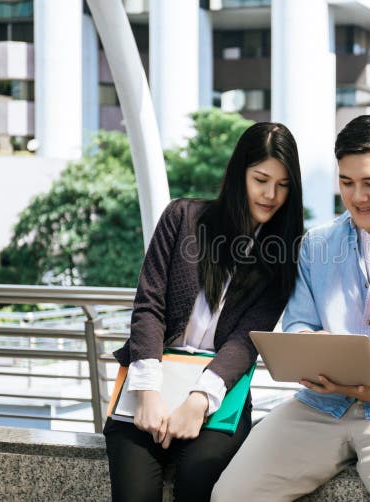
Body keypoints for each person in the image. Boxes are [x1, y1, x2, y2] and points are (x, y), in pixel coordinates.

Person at [212, 115, 370, 502]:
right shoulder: (317, 245)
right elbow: (300, 321)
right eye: (346, 183)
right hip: (320, 406)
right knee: (230, 495)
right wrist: (307, 347)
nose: (357, 197)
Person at [104, 122, 304, 502]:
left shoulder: (283, 255)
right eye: (261, 179)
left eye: (283, 185)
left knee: (199, 481)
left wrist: (198, 403)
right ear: (238, 174)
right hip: (152, 378)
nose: (271, 194)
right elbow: (148, 305)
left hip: (219, 391)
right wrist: (147, 392)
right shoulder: (182, 218)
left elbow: (248, 339)